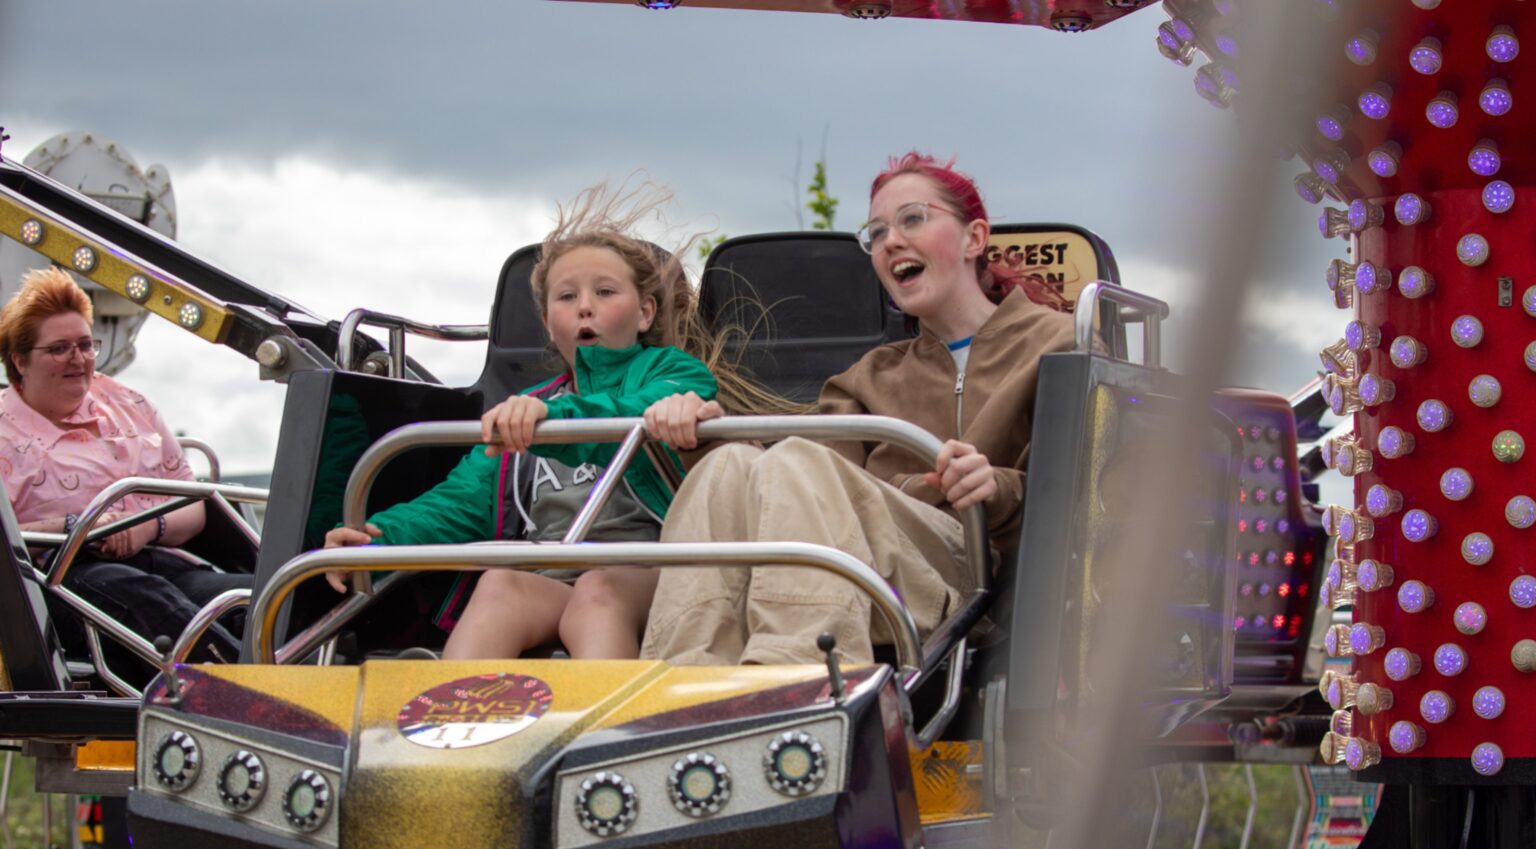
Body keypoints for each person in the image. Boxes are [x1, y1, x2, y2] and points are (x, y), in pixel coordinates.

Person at [322, 183, 796, 659]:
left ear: (646, 312)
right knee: (498, 585)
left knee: (596, 596)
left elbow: (629, 415)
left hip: (652, 569)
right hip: (553, 575)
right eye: (567, 297)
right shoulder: (529, 405)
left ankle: (614, 728)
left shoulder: (675, 374)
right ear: (549, 323)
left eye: (604, 292)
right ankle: (450, 720)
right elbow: (461, 500)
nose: (584, 306)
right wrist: (375, 541)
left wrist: (553, 418)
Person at [641, 152, 1081, 665]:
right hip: (876, 570)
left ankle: (793, 676)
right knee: (727, 466)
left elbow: (1096, 495)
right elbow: (805, 491)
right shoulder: (868, 376)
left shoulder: (1060, 344)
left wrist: (998, 488)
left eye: (912, 218)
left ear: (974, 239)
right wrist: (701, 435)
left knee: (796, 460)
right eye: (875, 233)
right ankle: (681, 679)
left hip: (986, 576)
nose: (890, 240)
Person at [0, 267, 251, 672]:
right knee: (143, 596)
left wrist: (143, 528)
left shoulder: (129, 406)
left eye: (85, 345)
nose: (78, 359)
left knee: (253, 597)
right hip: (60, 583)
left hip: (160, 561)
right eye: (59, 349)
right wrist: (76, 528)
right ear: (19, 360)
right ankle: (252, 693)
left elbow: (193, 506)